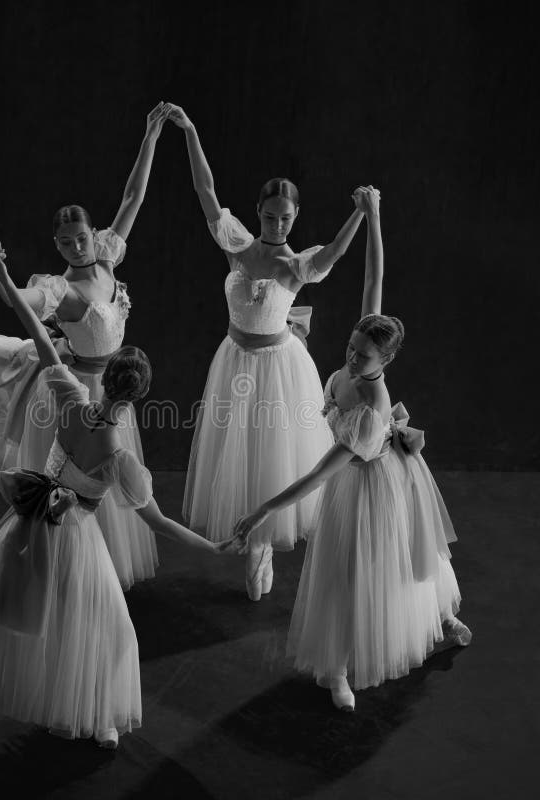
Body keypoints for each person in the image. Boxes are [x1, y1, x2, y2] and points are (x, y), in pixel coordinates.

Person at [0, 241, 240, 773]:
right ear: (135, 397)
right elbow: (157, 523)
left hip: (25, 525)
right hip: (73, 540)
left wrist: (1, 273)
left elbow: (33, 328)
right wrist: (214, 545)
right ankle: (102, 719)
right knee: (108, 631)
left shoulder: (70, 395)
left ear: (108, 375)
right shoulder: (119, 458)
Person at [0, 103, 171, 590]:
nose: (77, 248)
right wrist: (1, 276)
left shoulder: (108, 258)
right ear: (56, 243)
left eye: (82, 238)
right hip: (83, 386)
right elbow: (20, 302)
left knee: (108, 472)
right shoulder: (59, 288)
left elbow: (133, 197)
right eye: (66, 242)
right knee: (76, 468)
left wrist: (150, 137)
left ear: (94, 234)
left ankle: (99, 571)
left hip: (112, 384)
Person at [234, 187, 471, 711]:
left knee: (370, 565)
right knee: (372, 565)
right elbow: (373, 278)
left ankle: (351, 661)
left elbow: (320, 474)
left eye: (363, 358)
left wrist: (263, 511)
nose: (352, 357)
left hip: (370, 479)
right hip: (357, 466)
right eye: (351, 349)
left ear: (384, 362)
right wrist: (374, 216)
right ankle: (425, 623)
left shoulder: (371, 402)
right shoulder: (366, 336)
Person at [166, 103, 365, 600]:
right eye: (270, 216)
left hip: (279, 365)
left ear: (296, 217)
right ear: (259, 214)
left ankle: (264, 544)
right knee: (240, 451)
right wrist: (190, 131)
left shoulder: (297, 265)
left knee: (274, 451)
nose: (277, 224)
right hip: (235, 359)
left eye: (286, 218)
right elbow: (206, 193)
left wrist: (361, 211)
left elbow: (337, 253)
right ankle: (248, 536)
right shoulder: (237, 246)